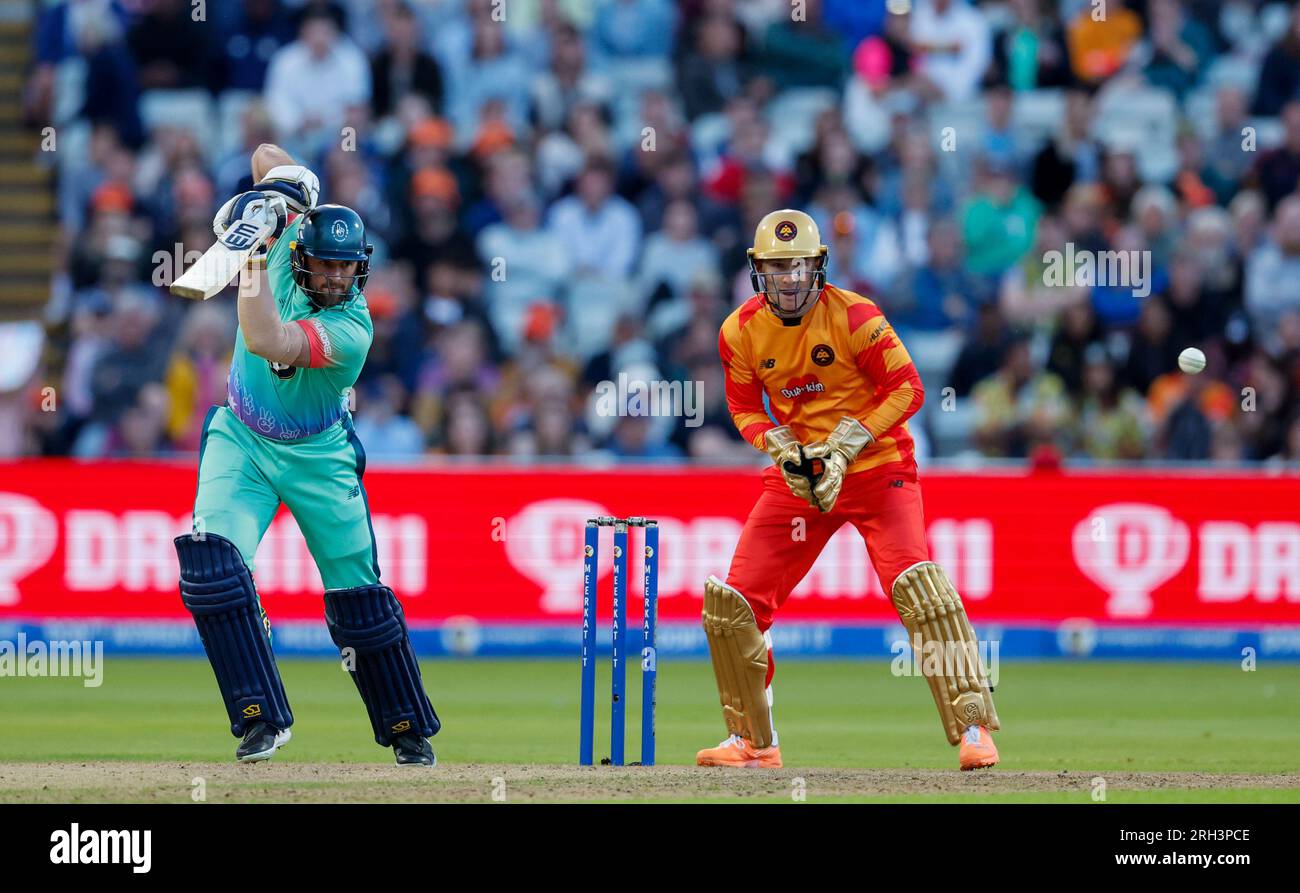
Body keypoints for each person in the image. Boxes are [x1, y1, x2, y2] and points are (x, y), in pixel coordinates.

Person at [700, 209, 999, 771]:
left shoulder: (856, 315)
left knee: (920, 592)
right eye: (775, 268)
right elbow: (742, 408)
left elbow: (908, 390)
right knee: (733, 607)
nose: (787, 280)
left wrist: (847, 441)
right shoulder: (738, 330)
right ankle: (753, 743)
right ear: (757, 271)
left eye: (798, 267)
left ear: (819, 267)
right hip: (803, 480)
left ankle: (974, 729)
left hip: (878, 469)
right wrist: (781, 447)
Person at [174, 146, 439, 766]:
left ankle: (405, 727)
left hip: (320, 454)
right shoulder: (291, 232)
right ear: (304, 253)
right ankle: (259, 718)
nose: (335, 280)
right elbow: (268, 154)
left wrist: (252, 255)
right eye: (324, 267)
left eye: (347, 269)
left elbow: (266, 337)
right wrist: (277, 194)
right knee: (212, 569)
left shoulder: (353, 330)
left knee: (357, 594)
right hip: (241, 438)